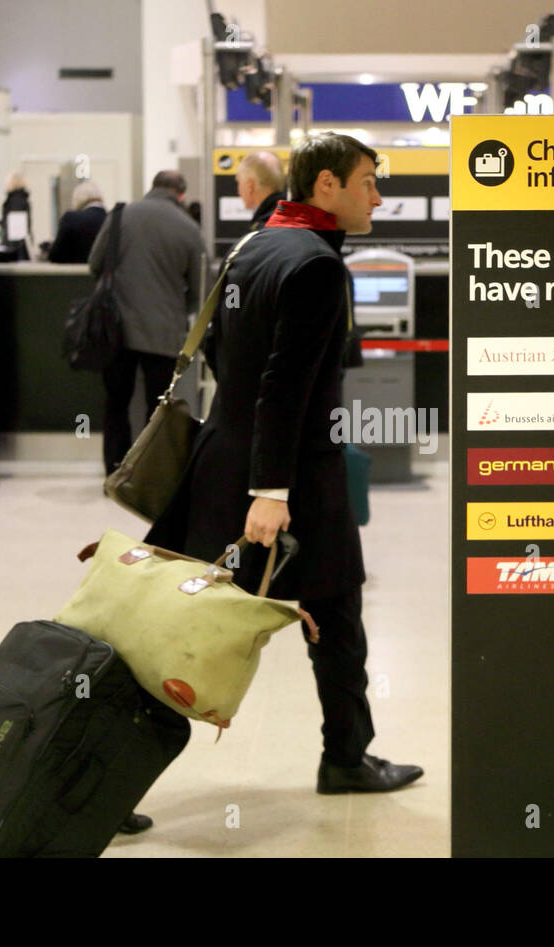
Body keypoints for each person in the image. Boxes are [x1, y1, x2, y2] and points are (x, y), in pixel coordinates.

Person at [144, 133, 423, 806]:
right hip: (288, 478)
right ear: (326, 185)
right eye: (366, 183)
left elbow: (215, 347)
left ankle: (348, 755)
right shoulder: (319, 268)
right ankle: (347, 757)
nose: (376, 196)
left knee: (186, 622)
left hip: (222, 457)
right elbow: (286, 384)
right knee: (326, 613)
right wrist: (270, 491)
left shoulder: (255, 244)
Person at [88, 170, 204, 479]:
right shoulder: (190, 229)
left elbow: (94, 264)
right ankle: (151, 473)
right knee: (158, 408)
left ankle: (115, 468)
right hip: (165, 332)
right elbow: (199, 289)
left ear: (152, 187)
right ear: (180, 194)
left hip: (117, 330)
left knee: (116, 402)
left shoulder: (120, 215)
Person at [48, 180, 106, 264]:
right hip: (104, 276)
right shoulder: (112, 219)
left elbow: (55, 256)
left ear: (78, 199)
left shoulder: (71, 218)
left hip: (75, 275)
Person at [236, 150, 285, 230]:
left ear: (250, 186)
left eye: (239, 182)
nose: (238, 192)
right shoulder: (292, 219)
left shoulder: (261, 231)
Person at [0, 171, 32, 259]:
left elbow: (16, 227)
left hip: (14, 247)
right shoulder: (22, 199)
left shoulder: (15, 200)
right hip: (19, 244)